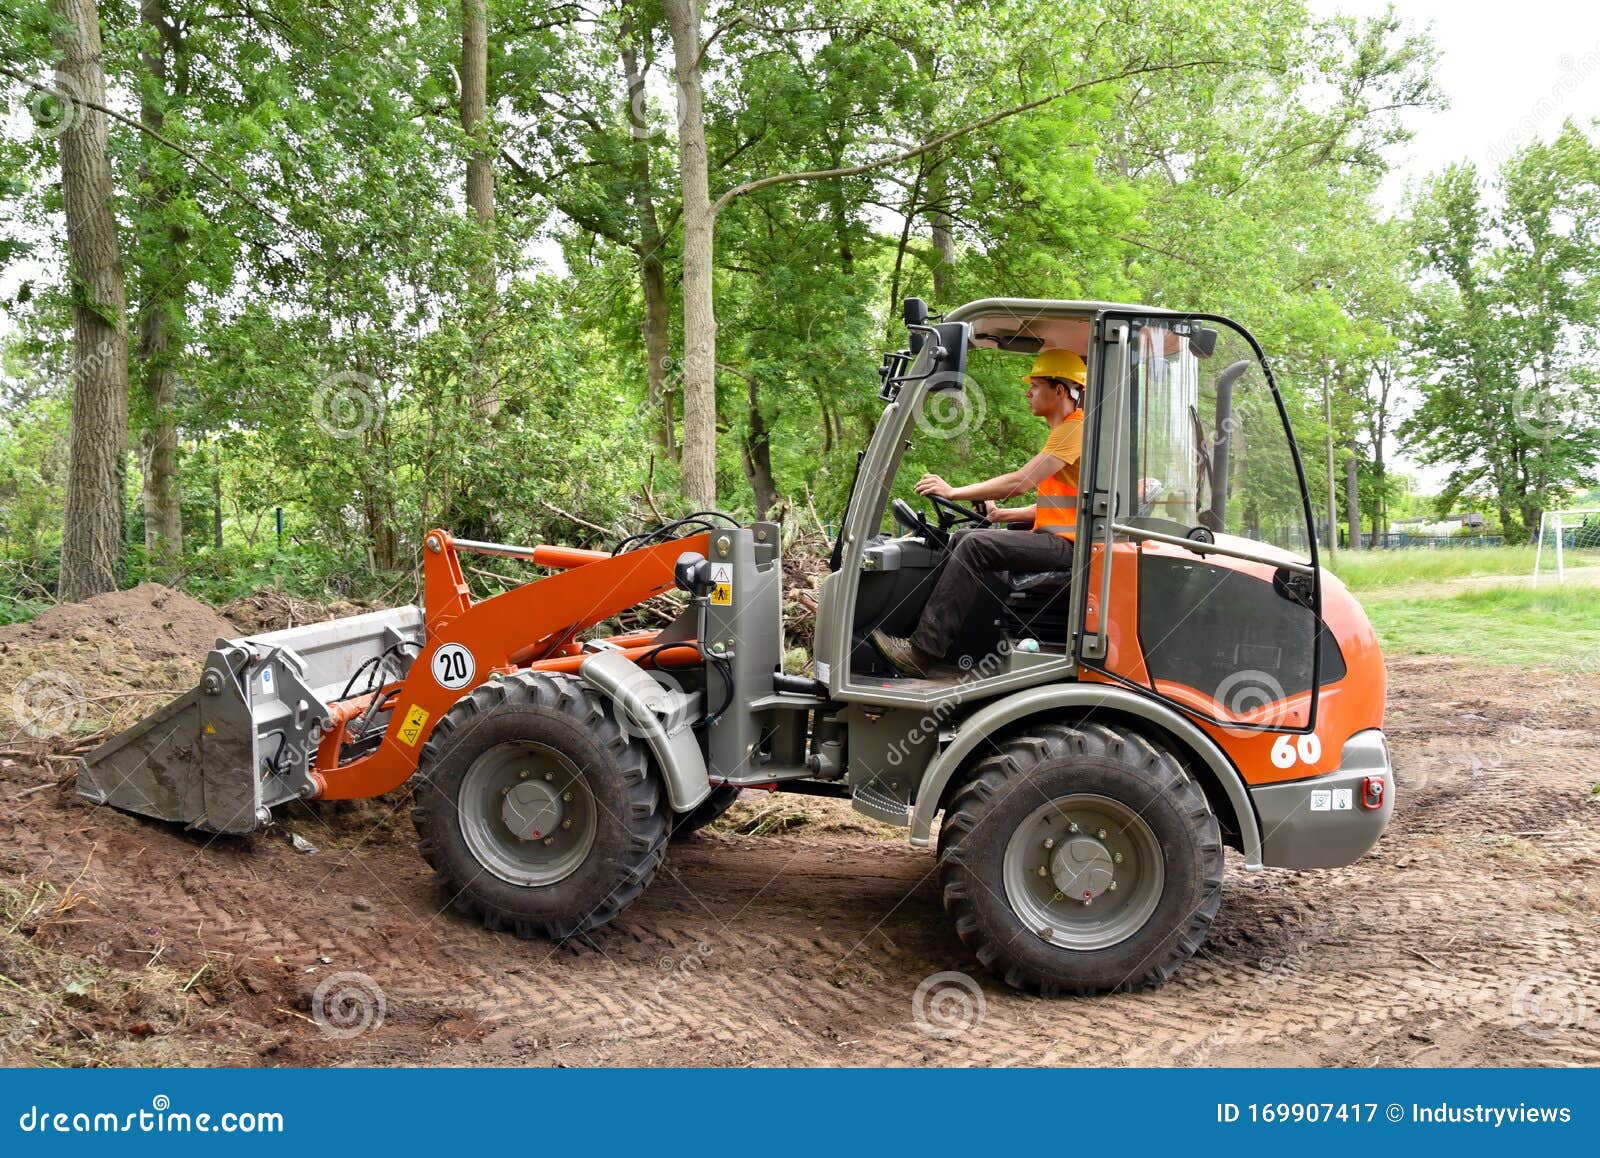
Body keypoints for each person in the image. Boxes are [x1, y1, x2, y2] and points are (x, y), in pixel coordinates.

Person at [871, 348, 1086, 677]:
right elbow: (1058, 506)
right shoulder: (1066, 433)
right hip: (1060, 539)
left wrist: (953, 491)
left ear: (1059, 390)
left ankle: (922, 651)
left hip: (1071, 547)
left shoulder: (1074, 430)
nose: (1027, 392)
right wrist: (999, 516)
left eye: (1036, 385)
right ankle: (926, 641)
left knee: (975, 545)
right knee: (964, 537)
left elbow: (1020, 481)